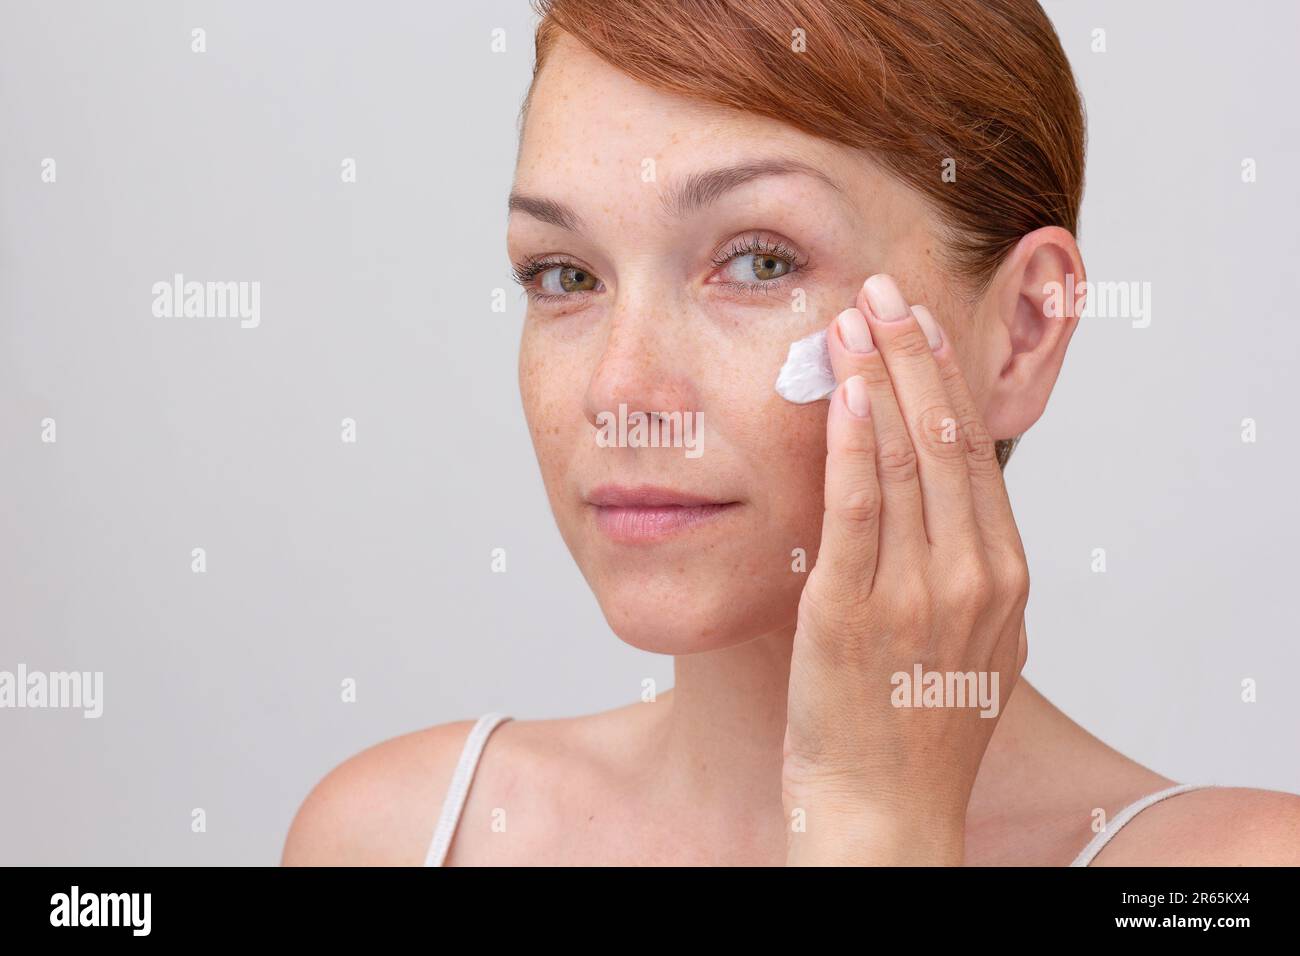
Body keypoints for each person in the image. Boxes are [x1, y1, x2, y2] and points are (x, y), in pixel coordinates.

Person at [282, 0, 1300, 866]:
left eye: (760, 261)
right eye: (566, 274)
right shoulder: (403, 835)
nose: (619, 389)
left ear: (1023, 332)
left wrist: (877, 824)